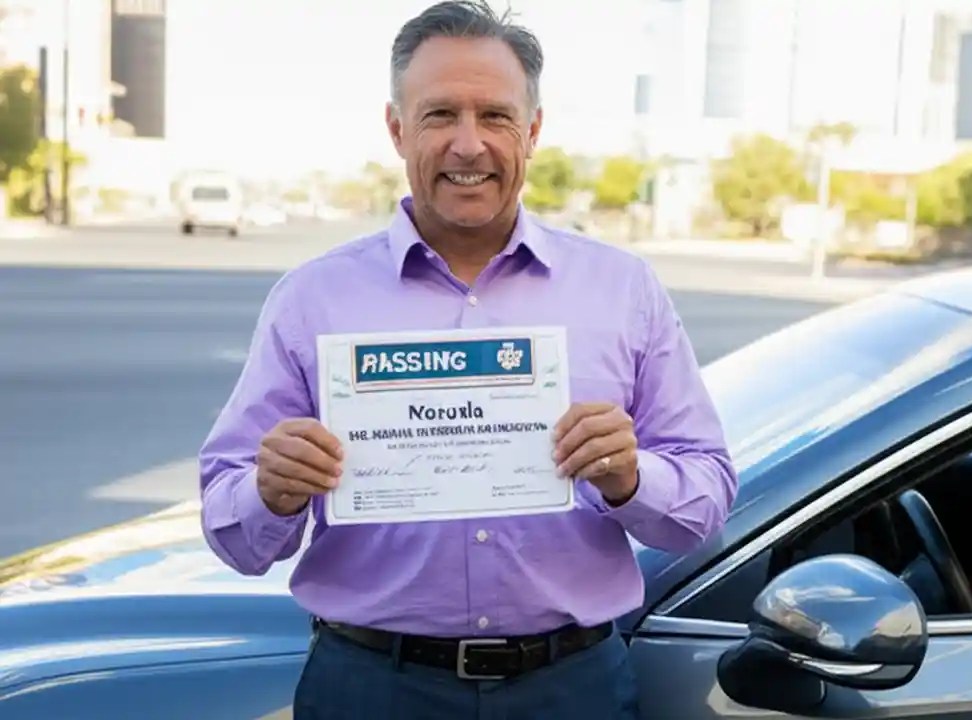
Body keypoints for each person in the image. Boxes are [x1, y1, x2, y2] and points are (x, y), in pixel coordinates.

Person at [197, 2, 737, 718]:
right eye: (440, 115)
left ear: (534, 130)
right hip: (373, 685)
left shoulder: (622, 290)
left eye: (496, 117)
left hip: (570, 687)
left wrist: (632, 478)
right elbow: (230, 529)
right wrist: (271, 490)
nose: (468, 144)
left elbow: (706, 501)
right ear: (396, 129)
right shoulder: (311, 301)